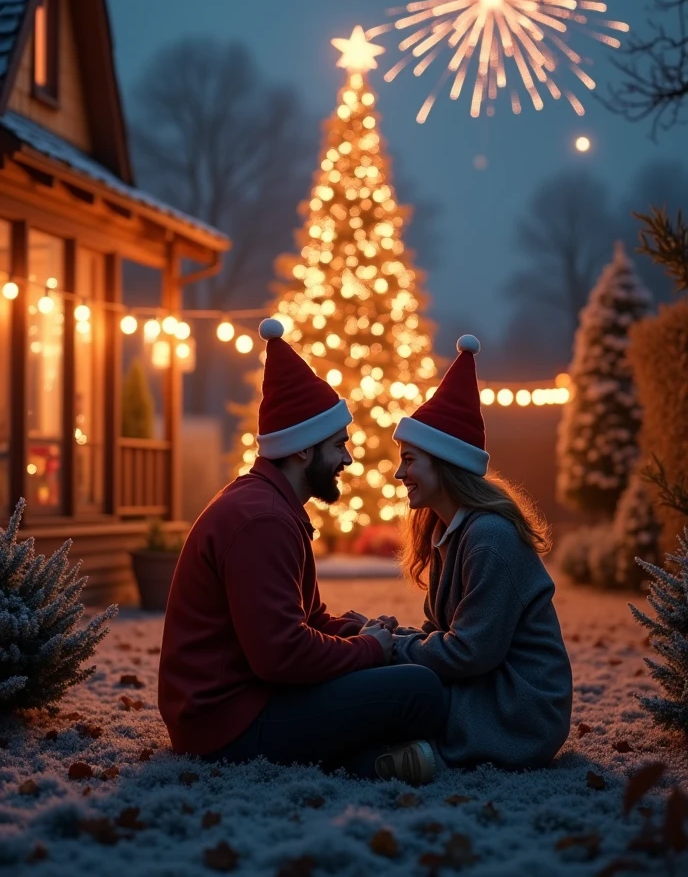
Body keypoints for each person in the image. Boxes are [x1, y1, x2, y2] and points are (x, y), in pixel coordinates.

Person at [158, 318, 446, 784]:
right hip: (228, 724)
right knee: (420, 690)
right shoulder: (263, 521)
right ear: (302, 451)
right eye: (338, 446)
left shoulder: (270, 506)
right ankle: (367, 758)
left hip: (246, 702)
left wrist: (357, 631)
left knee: (399, 667)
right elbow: (283, 656)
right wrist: (367, 652)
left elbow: (304, 621)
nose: (348, 459)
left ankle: (366, 759)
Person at [389, 334, 573, 771]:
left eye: (409, 460)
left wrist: (390, 649)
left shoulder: (490, 538)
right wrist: (391, 637)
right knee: (389, 681)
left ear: (444, 463)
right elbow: (440, 632)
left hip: (521, 709)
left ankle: (389, 755)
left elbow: (470, 652)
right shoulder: (447, 530)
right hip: (486, 683)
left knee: (394, 691)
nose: (399, 473)